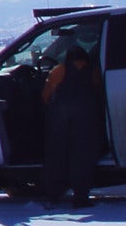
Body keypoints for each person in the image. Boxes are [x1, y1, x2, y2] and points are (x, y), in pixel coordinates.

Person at [39, 45, 106, 207]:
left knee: (57, 155)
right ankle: (80, 197)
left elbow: (46, 95)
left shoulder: (59, 70)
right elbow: (99, 92)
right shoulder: (94, 71)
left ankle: (53, 195)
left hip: (60, 119)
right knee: (82, 157)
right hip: (86, 118)